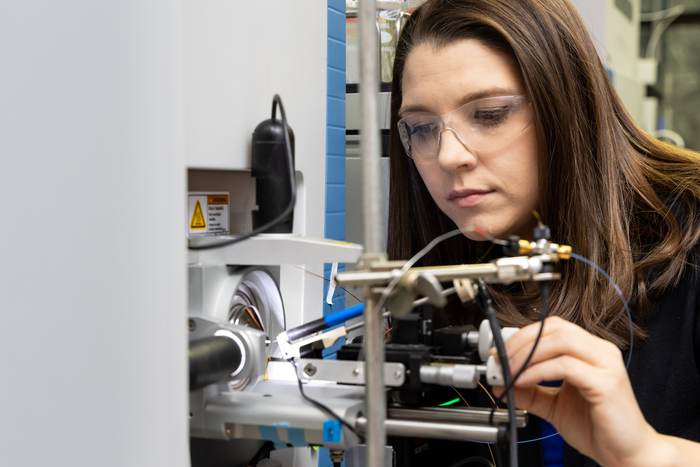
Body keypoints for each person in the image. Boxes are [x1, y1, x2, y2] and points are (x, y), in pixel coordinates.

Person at [386, 0, 700, 465]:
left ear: (566, 103)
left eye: (489, 114)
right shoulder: (445, 268)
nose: (449, 155)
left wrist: (646, 454)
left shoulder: (691, 237)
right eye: (423, 128)